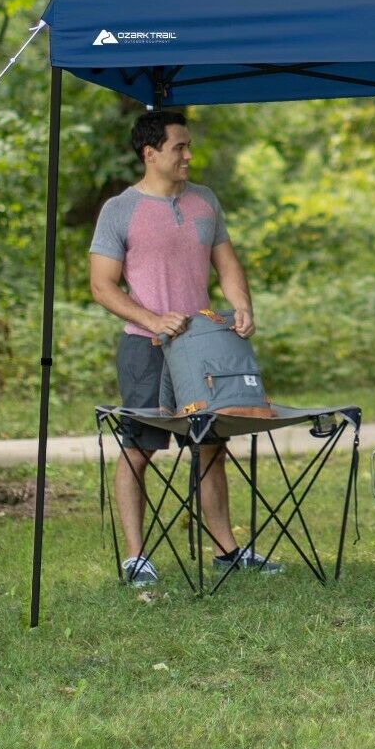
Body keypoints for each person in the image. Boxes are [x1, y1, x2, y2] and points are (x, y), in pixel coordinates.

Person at [89, 109, 282, 587]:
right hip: (145, 349)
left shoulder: (205, 201)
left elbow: (228, 264)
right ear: (149, 153)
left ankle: (226, 551)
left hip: (202, 349)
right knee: (138, 448)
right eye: (179, 147)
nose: (189, 155)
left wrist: (241, 306)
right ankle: (136, 558)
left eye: (189, 145)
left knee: (211, 446)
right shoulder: (119, 209)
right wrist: (152, 318)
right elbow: (101, 286)